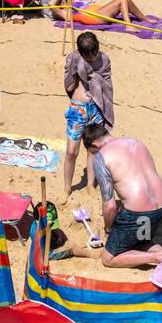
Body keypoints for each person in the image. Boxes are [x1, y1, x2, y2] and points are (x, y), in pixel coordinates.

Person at [73, 122, 162, 268]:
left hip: (139, 214)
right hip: (161, 208)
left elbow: (110, 205)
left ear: (94, 146)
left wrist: (108, 230)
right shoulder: (136, 142)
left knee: (107, 259)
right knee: (140, 241)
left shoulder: (101, 156)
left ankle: (158, 257)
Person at [62, 31, 114, 198]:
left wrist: (94, 77)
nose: (92, 58)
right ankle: (67, 188)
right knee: (71, 151)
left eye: (94, 54)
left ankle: (90, 184)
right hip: (78, 109)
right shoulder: (74, 59)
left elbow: (106, 83)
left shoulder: (104, 59)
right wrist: (76, 72)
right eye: (88, 57)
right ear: (82, 53)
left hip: (96, 107)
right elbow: (68, 87)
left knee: (93, 148)